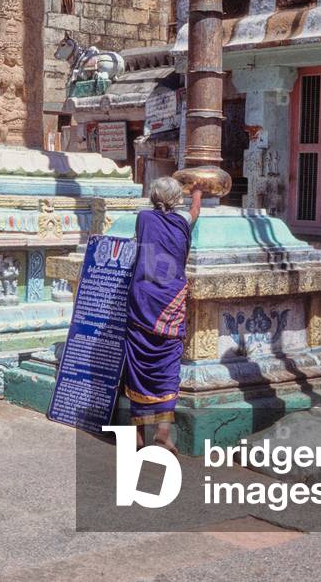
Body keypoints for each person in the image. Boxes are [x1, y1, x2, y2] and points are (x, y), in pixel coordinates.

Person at [123, 176, 202, 453]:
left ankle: (137, 435)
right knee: (167, 367)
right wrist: (198, 194)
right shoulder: (181, 222)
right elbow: (193, 215)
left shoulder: (143, 218)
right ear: (176, 199)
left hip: (143, 301)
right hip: (169, 303)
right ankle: (163, 433)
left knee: (138, 367)